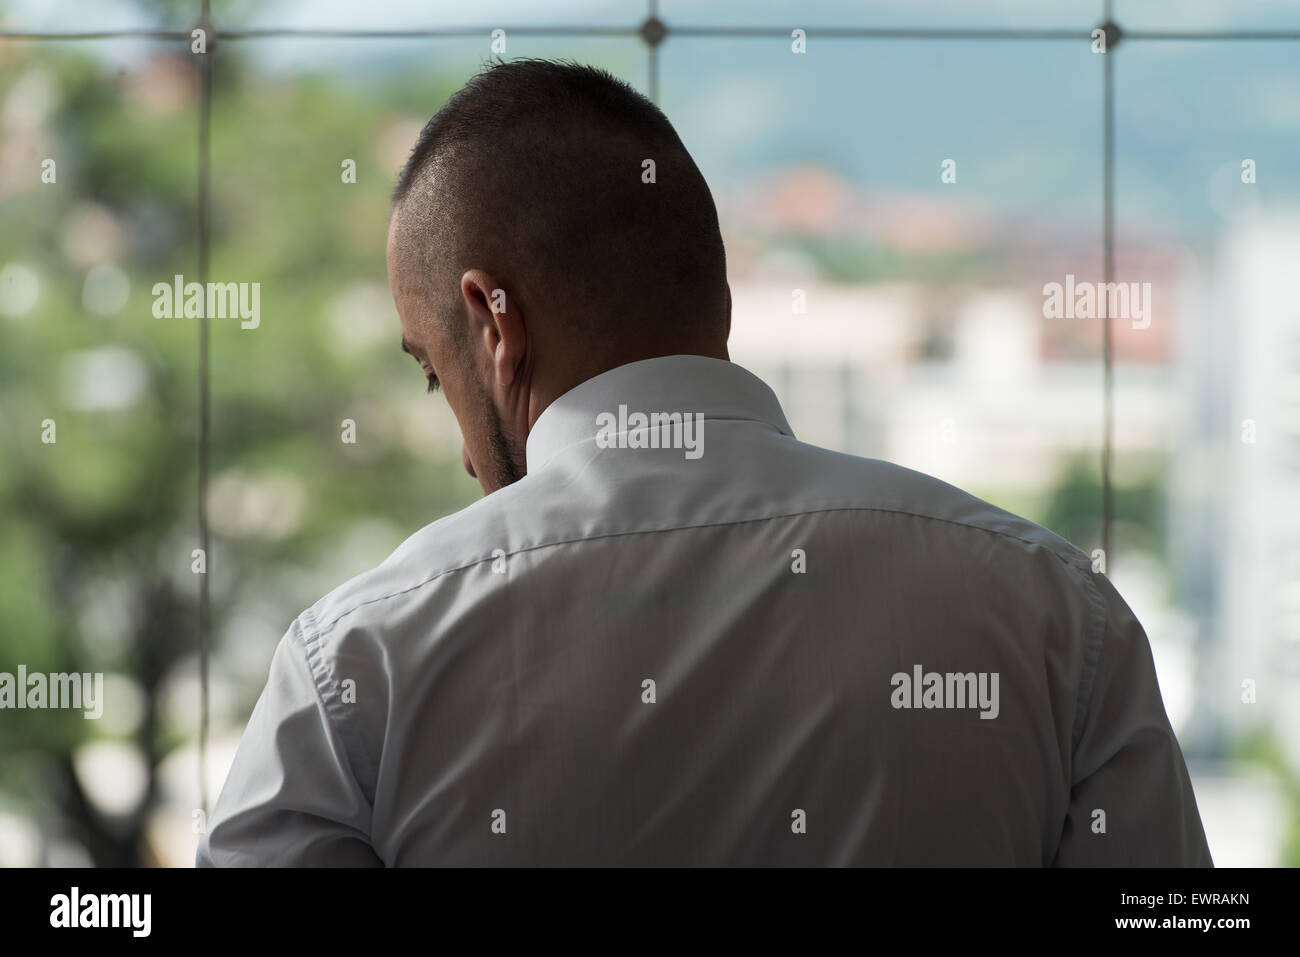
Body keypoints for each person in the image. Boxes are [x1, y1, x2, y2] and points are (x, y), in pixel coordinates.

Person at [197, 59, 1212, 867]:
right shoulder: (1056, 621)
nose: (467, 457)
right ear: (713, 296)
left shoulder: (359, 668)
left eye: (434, 374)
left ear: (493, 323)